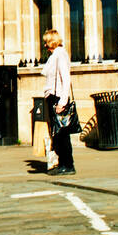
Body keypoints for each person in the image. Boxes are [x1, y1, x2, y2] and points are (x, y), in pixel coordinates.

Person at [43, 28, 76, 176]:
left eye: (46, 42)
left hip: (58, 98)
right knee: (57, 133)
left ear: (51, 42)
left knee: (62, 133)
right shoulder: (54, 55)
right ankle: (62, 163)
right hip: (53, 97)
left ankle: (68, 165)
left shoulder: (60, 55)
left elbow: (65, 78)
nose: (44, 45)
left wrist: (62, 101)